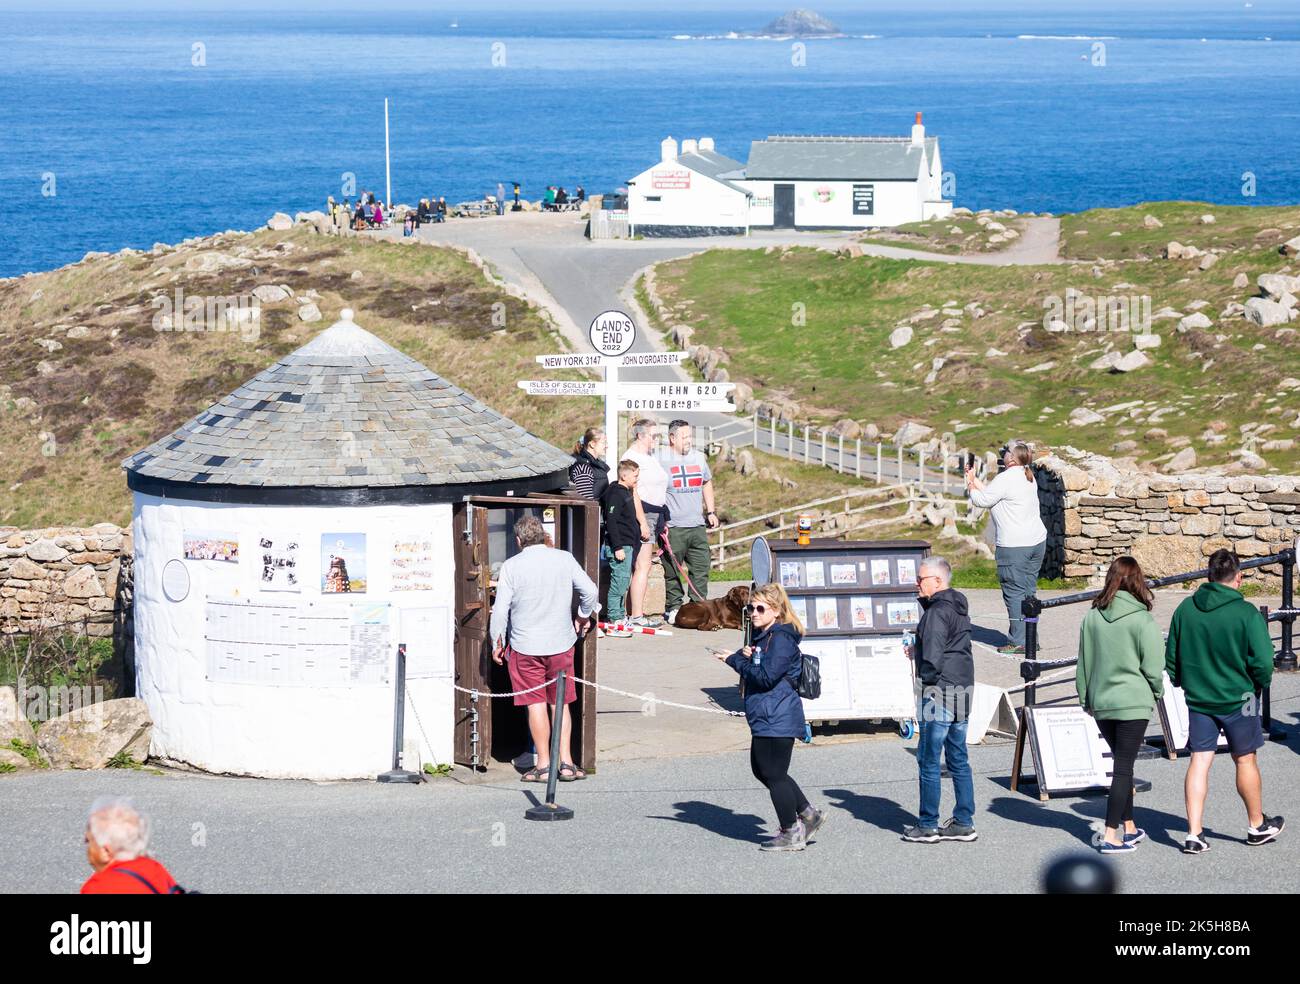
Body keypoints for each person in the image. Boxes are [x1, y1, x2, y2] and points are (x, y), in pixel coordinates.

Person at [1166, 548, 1282, 854]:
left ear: (1208, 576)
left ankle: (1193, 832)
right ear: (1239, 577)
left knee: (1199, 760)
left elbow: (1172, 656)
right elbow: (1263, 661)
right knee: (1245, 758)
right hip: (1239, 697)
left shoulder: (1185, 610)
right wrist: (1259, 685)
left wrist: (1181, 682)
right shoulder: (1246, 613)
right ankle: (1256, 824)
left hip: (1200, 698)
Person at [490, 515, 600, 783]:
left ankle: (542, 764)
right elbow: (590, 591)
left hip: (525, 646)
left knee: (535, 704)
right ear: (543, 536)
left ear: (518, 540)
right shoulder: (564, 559)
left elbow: (501, 608)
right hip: (561, 642)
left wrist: (497, 640)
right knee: (559, 703)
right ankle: (567, 763)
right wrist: (583, 616)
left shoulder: (511, 566)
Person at [718, 582, 825, 852]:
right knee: (762, 770)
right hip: (766, 713)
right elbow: (765, 667)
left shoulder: (781, 638)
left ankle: (791, 831)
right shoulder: (766, 636)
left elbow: (766, 677)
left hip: (777, 713)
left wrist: (735, 660)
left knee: (774, 774)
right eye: (750, 608)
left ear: (775, 611)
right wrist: (750, 656)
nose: (753, 613)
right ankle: (808, 814)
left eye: (759, 608)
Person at [1076, 556, 1164, 854]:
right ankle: (1111, 834)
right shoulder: (1142, 619)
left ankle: (1129, 825)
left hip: (1101, 700)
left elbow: (1084, 662)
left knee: (1121, 763)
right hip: (1133, 701)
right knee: (1123, 767)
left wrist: (1085, 696)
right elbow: (1153, 666)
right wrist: (1156, 691)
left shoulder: (1092, 616)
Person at [903, 556, 977, 843]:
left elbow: (933, 657)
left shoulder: (936, 613)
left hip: (939, 692)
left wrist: (924, 671)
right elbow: (949, 647)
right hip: (961, 689)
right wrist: (920, 650)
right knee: (958, 757)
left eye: (921, 579)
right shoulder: (957, 607)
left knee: (929, 759)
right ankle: (964, 821)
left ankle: (928, 824)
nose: (916, 584)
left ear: (937, 580)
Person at [965, 442, 1048, 654]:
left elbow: (982, 500)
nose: (1004, 454)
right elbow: (996, 496)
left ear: (1012, 459)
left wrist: (970, 486)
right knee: (1028, 591)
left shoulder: (1005, 478)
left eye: (1007, 452)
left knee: (1013, 593)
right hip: (1036, 543)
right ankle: (1030, 638)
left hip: (1014, 546)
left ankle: (1018, 642)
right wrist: (976, 481)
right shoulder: (1027, 475)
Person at [658, 419, 719, 624]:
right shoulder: (660, 459)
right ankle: (674, 607)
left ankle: (698, 605)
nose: (689, 441)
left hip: (697, 525)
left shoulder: (699, 458)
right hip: (673, 527)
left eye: (690, 436)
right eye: (684, 437)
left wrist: (710, 511)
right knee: (673, 571)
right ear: (672, 438)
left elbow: (706, 483)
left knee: (701, 567)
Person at [621, 418, 669, 627]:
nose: (656, 439)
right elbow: (633, 493)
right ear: (641, 435)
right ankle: (636, 615)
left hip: (655, 513)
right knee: (642, 565)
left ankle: (636, 613)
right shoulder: (631, 458)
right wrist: (642, 522)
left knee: (644, 565)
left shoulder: (650, 457)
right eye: (653, 435)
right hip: (643, 513)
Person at [81, 797, 180, 894]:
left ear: (105, 851)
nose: (86, 843)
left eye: (89, 840)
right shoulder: (156, 869)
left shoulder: (98, 887)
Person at [600, 460, 641, 637]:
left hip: (627, 544)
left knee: (623, 582)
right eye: (635, 475)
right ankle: (614, 620)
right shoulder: (616, 494)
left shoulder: (625, 491)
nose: (637, 479)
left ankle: (620, 615)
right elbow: (612, 521)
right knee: (619, 582)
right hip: (620, 545)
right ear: (624, 475)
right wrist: (617, 546)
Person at [569, 427, 609, 501]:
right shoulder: (583, 468)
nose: (607, 446)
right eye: (604, 442)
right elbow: (585, 503)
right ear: (592, 444)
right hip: (592, 511)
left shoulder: (596, 465)